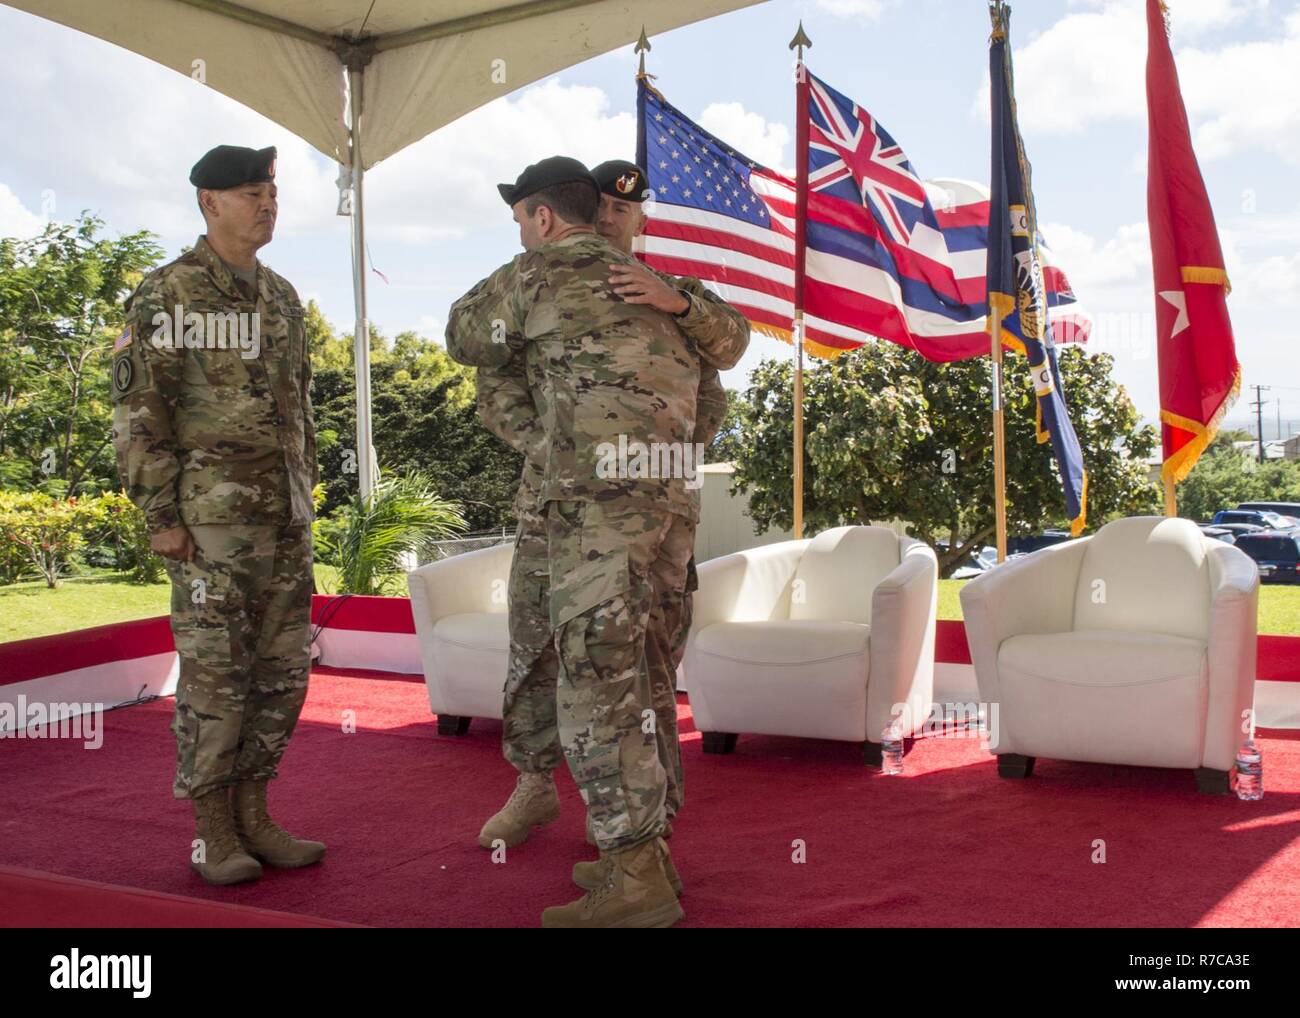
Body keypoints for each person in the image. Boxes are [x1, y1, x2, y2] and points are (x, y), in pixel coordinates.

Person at [446, 155, 697, 926]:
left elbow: (462, 336)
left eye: (522, 218)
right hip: (653, 514)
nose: (520, 233)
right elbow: (709, 391)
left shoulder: (535, 276)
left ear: (543, 218)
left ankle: (639, 875)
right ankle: (643, 854)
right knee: (633, 675)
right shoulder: (675, 303)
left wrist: (579, 457)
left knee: (597, 681)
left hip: (590, 519)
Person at [110, 144, 324, 886]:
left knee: (280, 671)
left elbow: (299, 408)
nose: (267, 204)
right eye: (250, 193)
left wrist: (305, 495)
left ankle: (255, 814)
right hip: (209, 524)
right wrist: (160, 515)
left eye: (271, 192)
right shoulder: (167, 294)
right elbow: (141, 412)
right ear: (210, 202)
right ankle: (211, 832)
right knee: (214, 678)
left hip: (284, 522)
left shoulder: (284, 296)